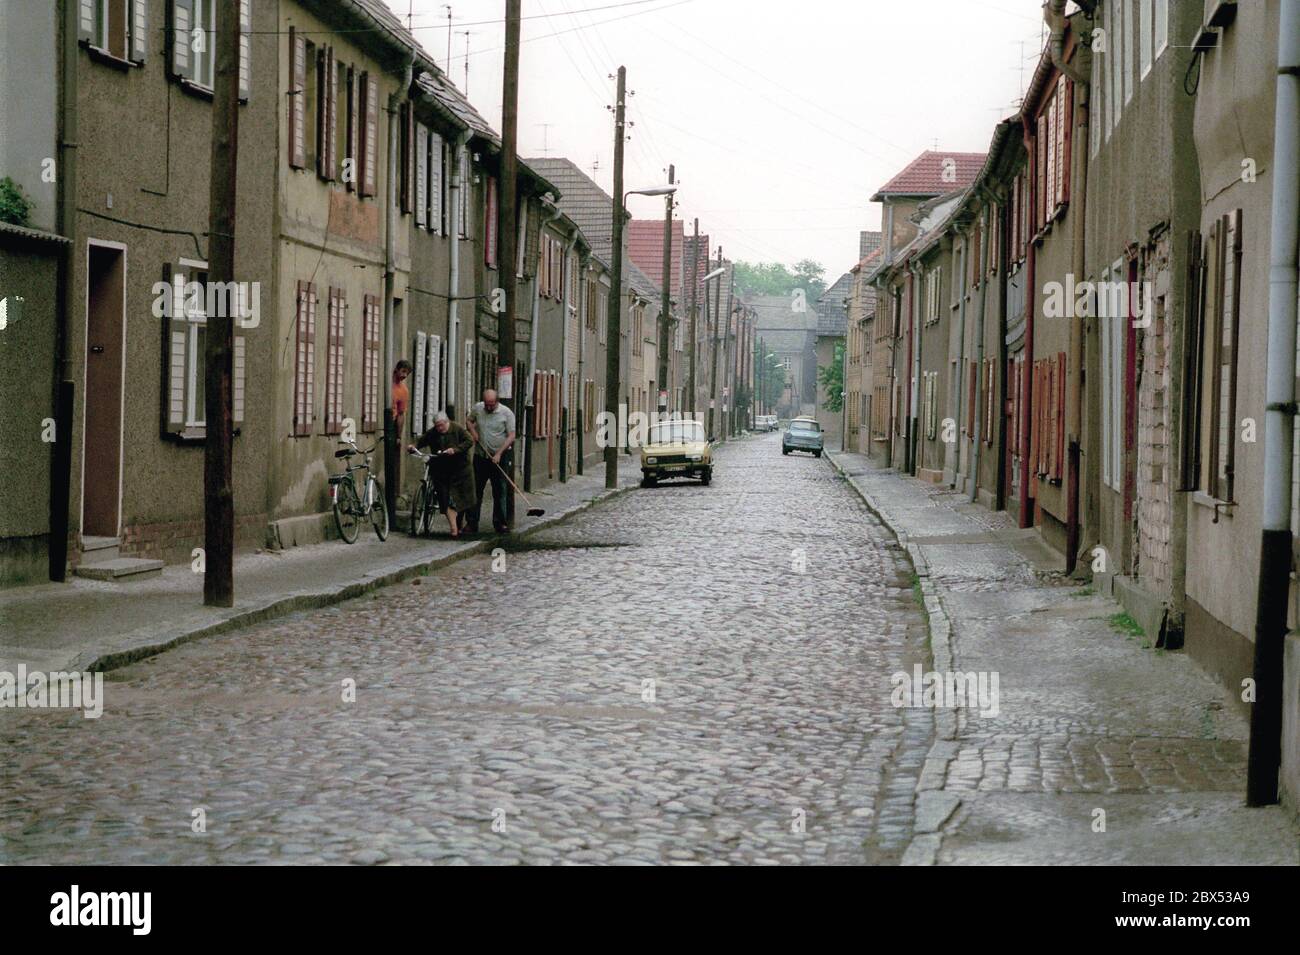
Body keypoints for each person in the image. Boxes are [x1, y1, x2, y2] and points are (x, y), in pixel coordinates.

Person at [409, 412, 475, 538]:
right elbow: (422, 440)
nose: (439, 428)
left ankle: (457, 526)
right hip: (441, 466)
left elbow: (469, 441)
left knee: (459, 498)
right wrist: (414, 446)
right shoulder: (433, 432)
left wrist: (455, 450)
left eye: (441, 425)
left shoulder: (457, 429)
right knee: (444, 496)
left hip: (459, 468)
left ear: (447, 422)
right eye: (437, 426)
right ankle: (454, 528)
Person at [465, 388, 516, 535]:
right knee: (476, 490)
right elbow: (469, 420)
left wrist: (499, 453)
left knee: (499, 490)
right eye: (487, 404)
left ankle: (500, 523)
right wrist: (473, 432)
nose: (488, 407)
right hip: (481, 456)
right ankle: (472, 523)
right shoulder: (478, 408)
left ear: (497, 402)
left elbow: (511, 435)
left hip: (499, 457)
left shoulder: (506, 413)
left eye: (491, 404)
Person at [391, 360, 413, 436]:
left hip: (392, 424)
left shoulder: (404, 390)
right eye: (403, 371)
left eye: (407, 373)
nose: (405, 375)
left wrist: (398, 436)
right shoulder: (388, 383)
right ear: (396, 369)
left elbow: (401, 414)